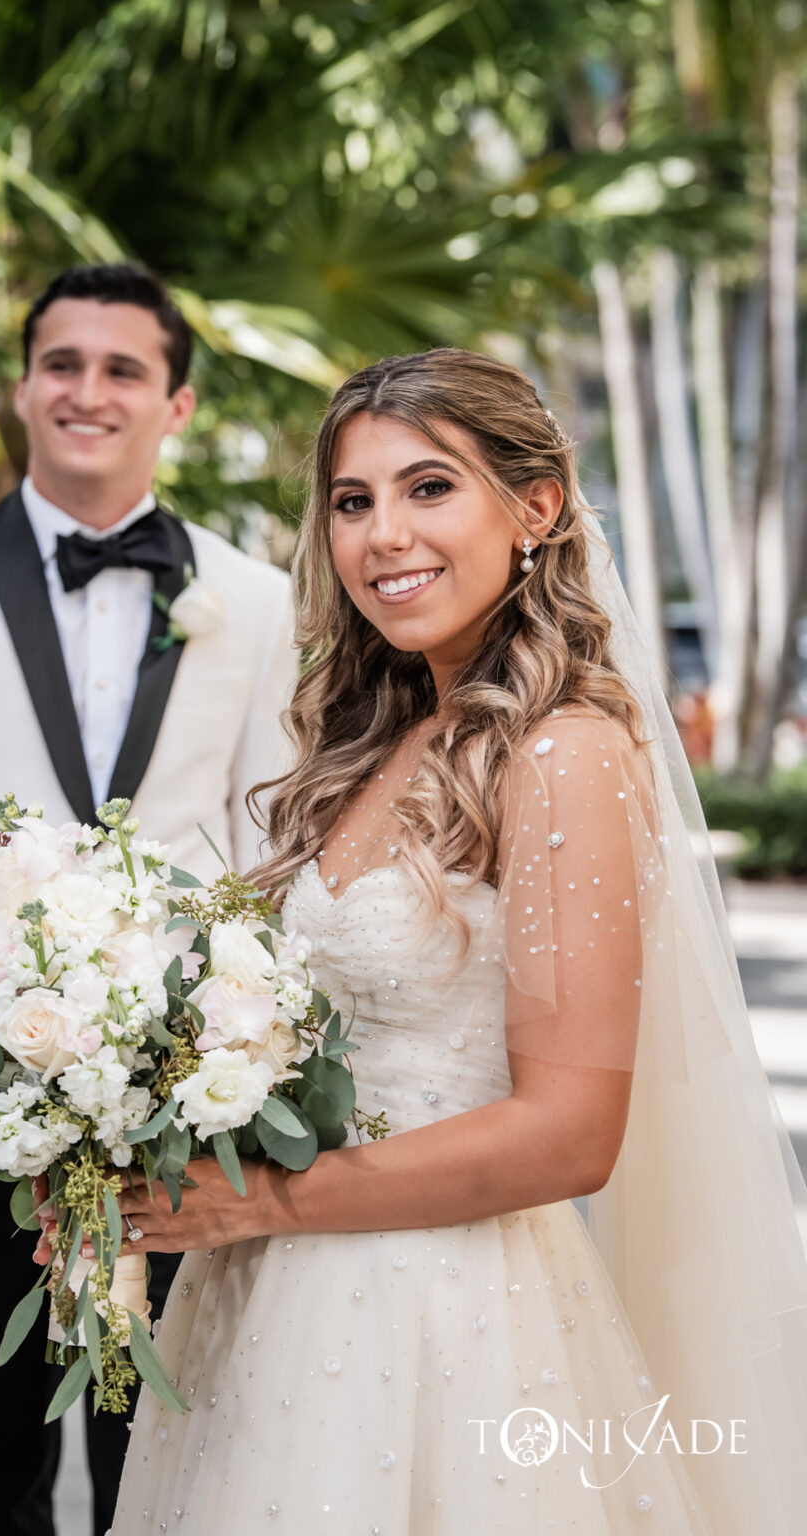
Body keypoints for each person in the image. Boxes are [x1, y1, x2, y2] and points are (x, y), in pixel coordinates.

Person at [107, 348, 807, 1532]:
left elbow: (570, 1136)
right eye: (352, 500)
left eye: (429, 487)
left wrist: (262, 1205)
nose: (385, 535)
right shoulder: (376, 742)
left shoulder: (564, 750)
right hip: (260, 1305)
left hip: (437, 1318)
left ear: (535, 509)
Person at [0, 262, 298, 1536]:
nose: (89, 391)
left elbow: (264, 851)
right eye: (63, 364)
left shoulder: (253, 601)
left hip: (178, 1115)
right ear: (24, 387)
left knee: (164, 1462)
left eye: (122, 368)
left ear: (176, 405)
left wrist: (248, 1063)